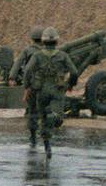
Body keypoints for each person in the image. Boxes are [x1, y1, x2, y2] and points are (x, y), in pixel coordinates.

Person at [22, 26, 79, 158]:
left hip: (41, 91)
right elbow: (74, 72)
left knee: (43, 119)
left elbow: (27, 71)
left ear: (44, 41)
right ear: (57, 41)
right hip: (57, 91)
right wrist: (71, 84)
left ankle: (47, 147)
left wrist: (27, 86)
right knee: (58, 118)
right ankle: (52, 116)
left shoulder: (37, 55)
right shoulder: (63, 56)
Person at [12, 27, 44, 147]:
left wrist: (12, 77)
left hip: (31, 84)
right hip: (43, 85)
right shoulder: (46, 52)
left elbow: (18, 64)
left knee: (32, 110)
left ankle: (33, 135)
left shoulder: (27, 51)